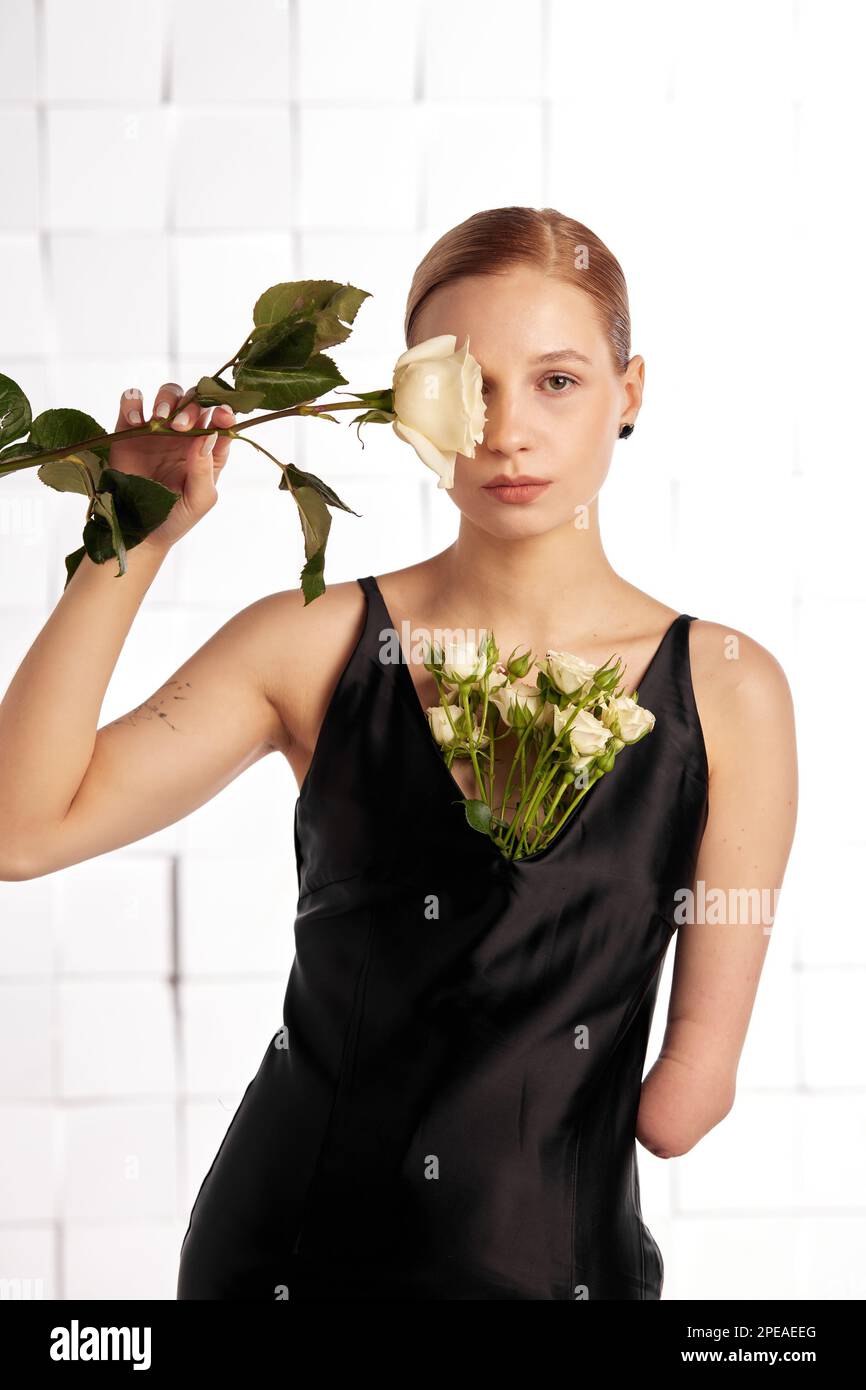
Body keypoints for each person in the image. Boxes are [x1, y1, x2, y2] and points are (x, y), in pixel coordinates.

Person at [0, 206, 798, 1300]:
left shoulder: (730, 688)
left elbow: (681, 1109)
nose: (508, 429)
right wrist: (124, 537)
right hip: (289, 1268)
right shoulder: (310, 643)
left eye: (556, 380)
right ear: (408, 406)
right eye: (469, 386)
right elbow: (20, 828)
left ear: (631, 391)